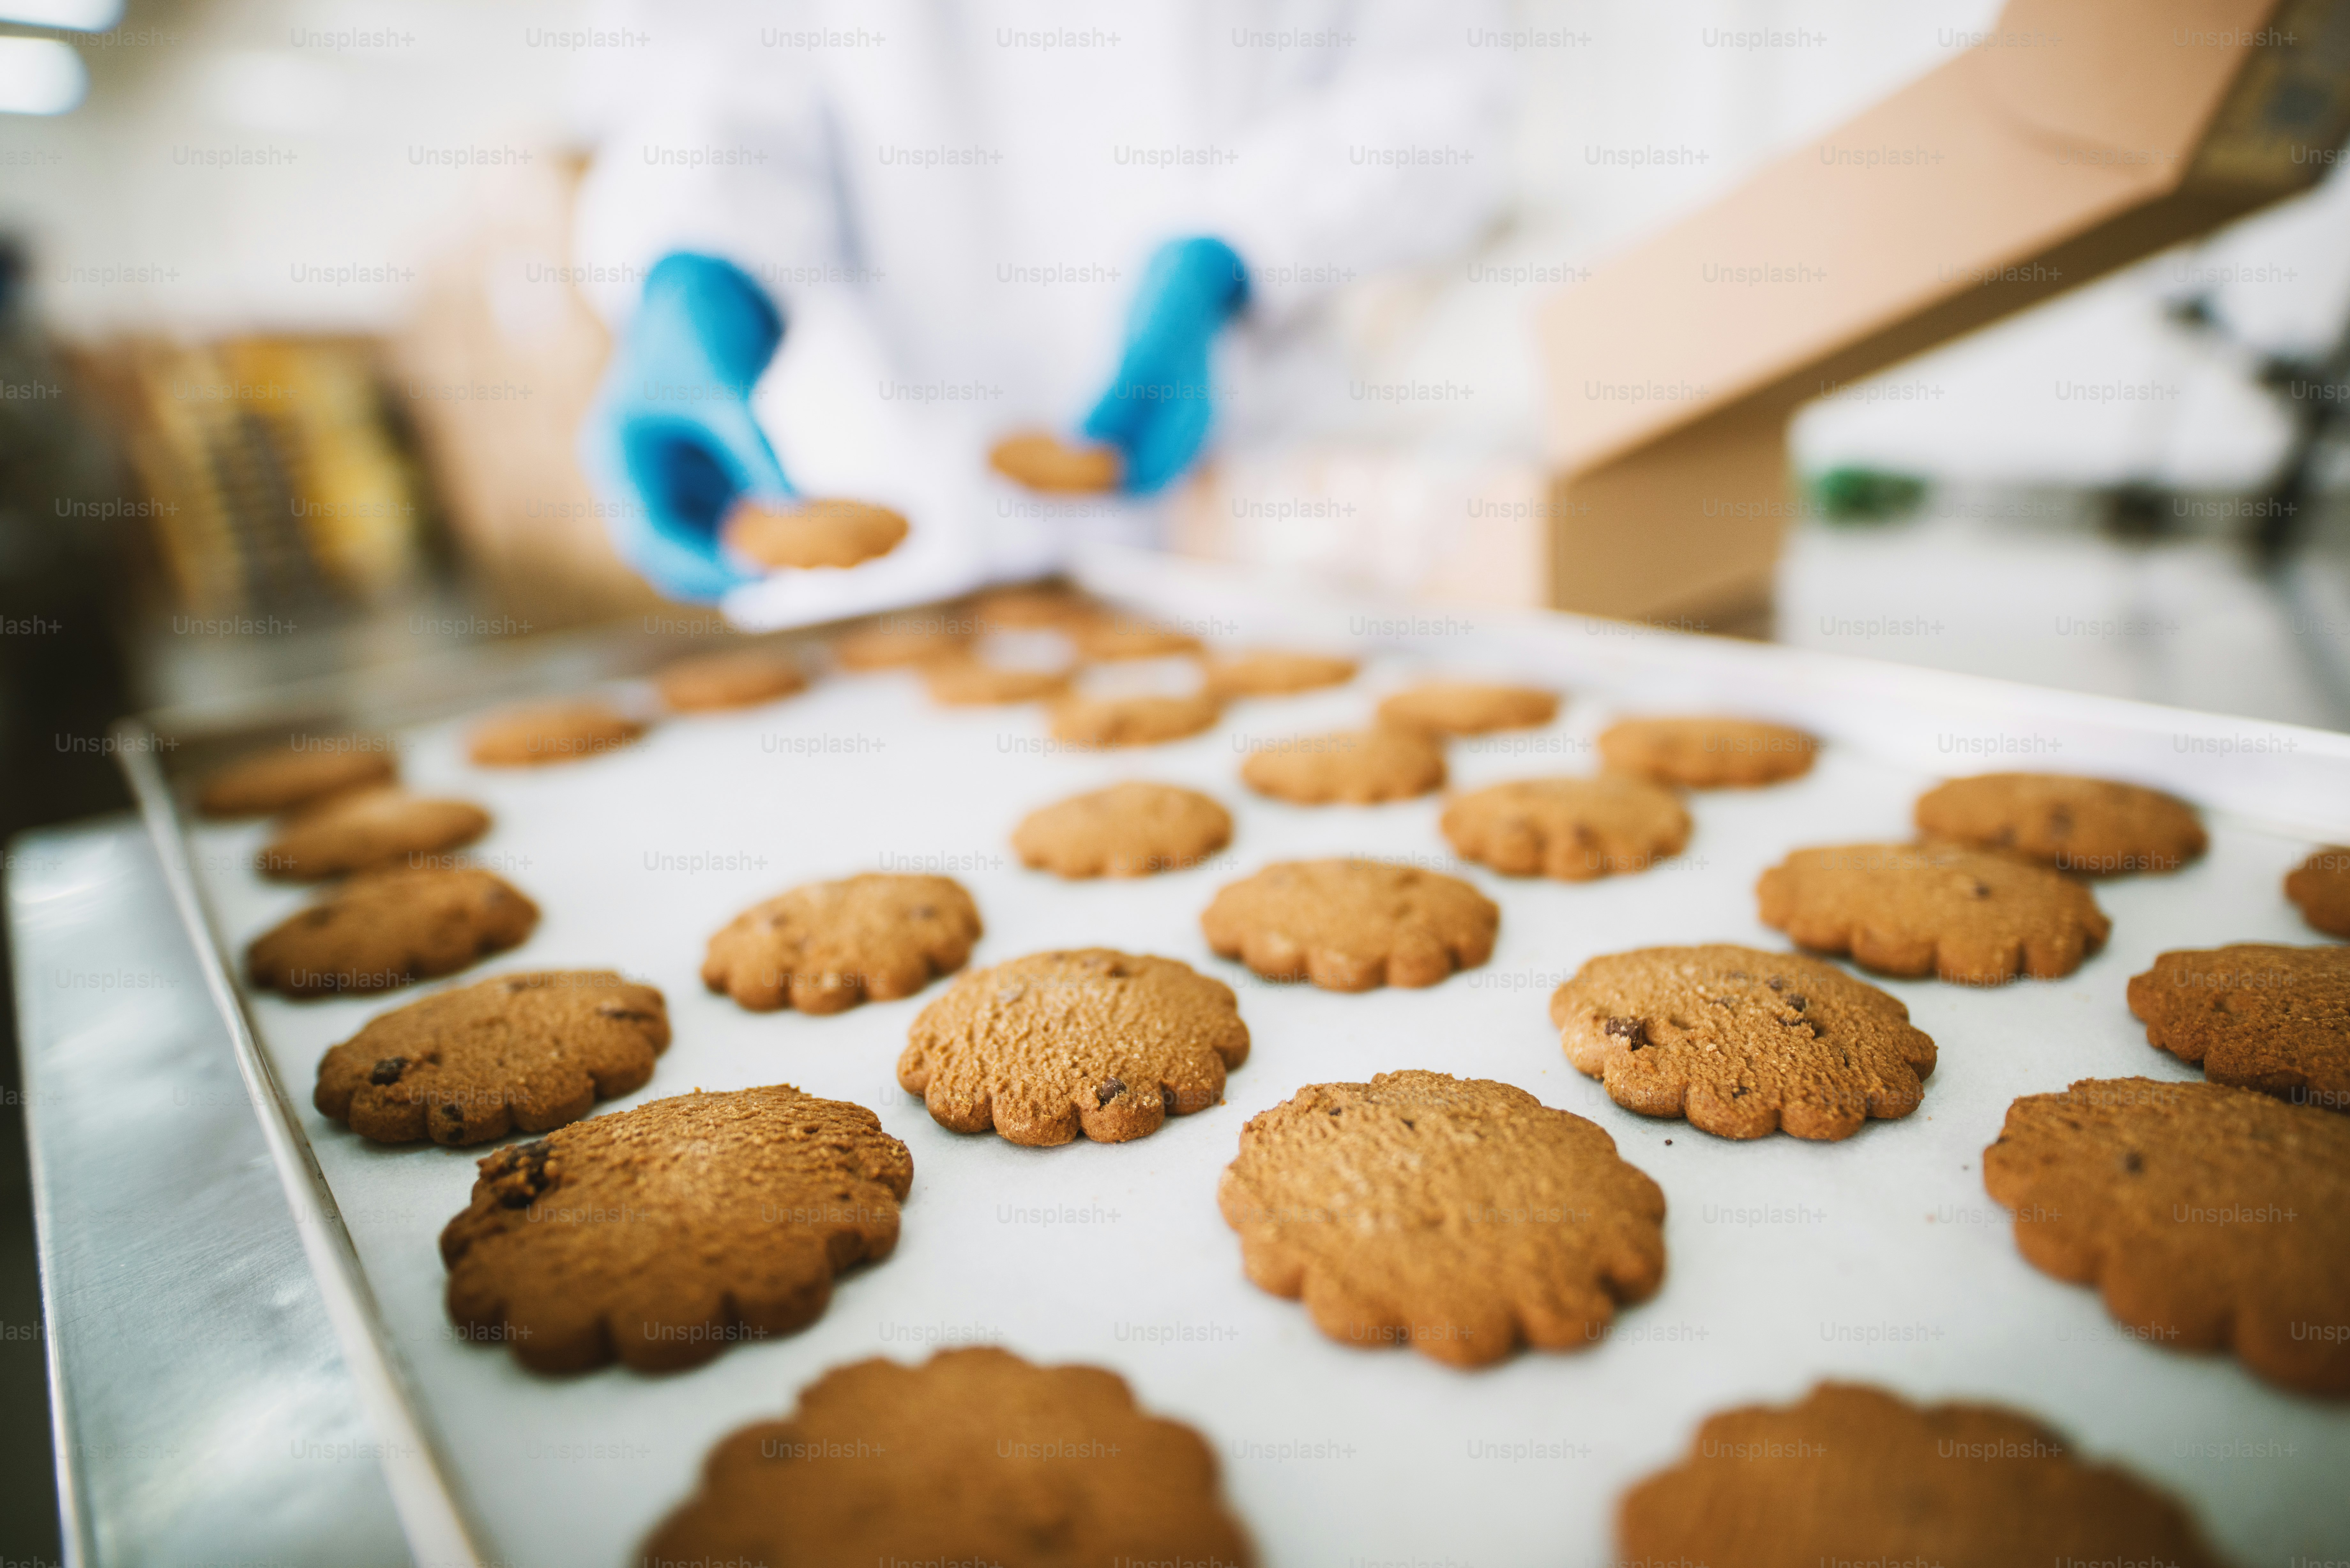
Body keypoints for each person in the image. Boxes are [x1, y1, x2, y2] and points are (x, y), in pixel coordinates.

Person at [570, 0, 1510, 620]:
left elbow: (1438, 86)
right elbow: (694, 77)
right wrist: (696, 273)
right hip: (879, 518)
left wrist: (1239, 249)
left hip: (1245, 518)